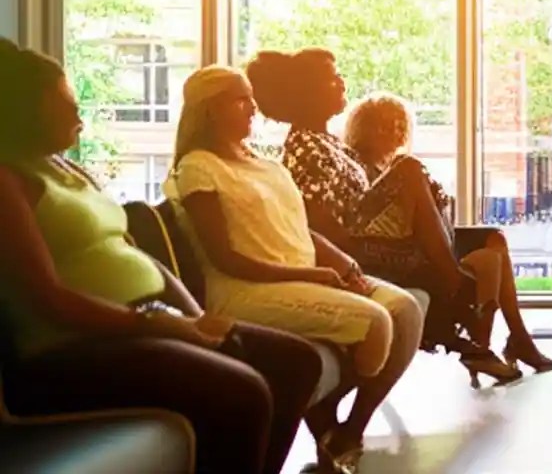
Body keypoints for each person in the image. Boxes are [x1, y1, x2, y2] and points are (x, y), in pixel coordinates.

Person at [0, 39, 322, 474]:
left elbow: (128, 254)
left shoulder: (63, 167)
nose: (79, 114)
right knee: (244, 392)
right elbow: (48, 298)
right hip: (71, 345)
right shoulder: (8, 179)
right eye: (65, 103)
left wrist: (192, 316)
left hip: (138, 322)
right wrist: (159, 322)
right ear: (27, 111)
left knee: (296, 361)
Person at [164, 65, 423, 470]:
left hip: (301, 276)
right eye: (239, 99)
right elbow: (224, 259)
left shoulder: (263, 163)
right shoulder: (199, 167)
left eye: (251, 96)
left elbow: (298, 228)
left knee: (405, 310)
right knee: (376, 324)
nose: (252, 106)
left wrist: (343, 263)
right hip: (246, 289)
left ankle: (344, 430)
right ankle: (323, 422)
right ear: (210, 110)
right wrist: (311, 276)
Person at [245, 49, 552, 382]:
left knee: (493, 237)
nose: (341, 83)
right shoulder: (304, 148)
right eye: (332, 79)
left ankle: (512, 336)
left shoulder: (328, 143)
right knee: (407, 167)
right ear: (310, 93)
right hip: (363, 250)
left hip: (382, 237)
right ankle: (457, 287)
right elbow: (324, 227)